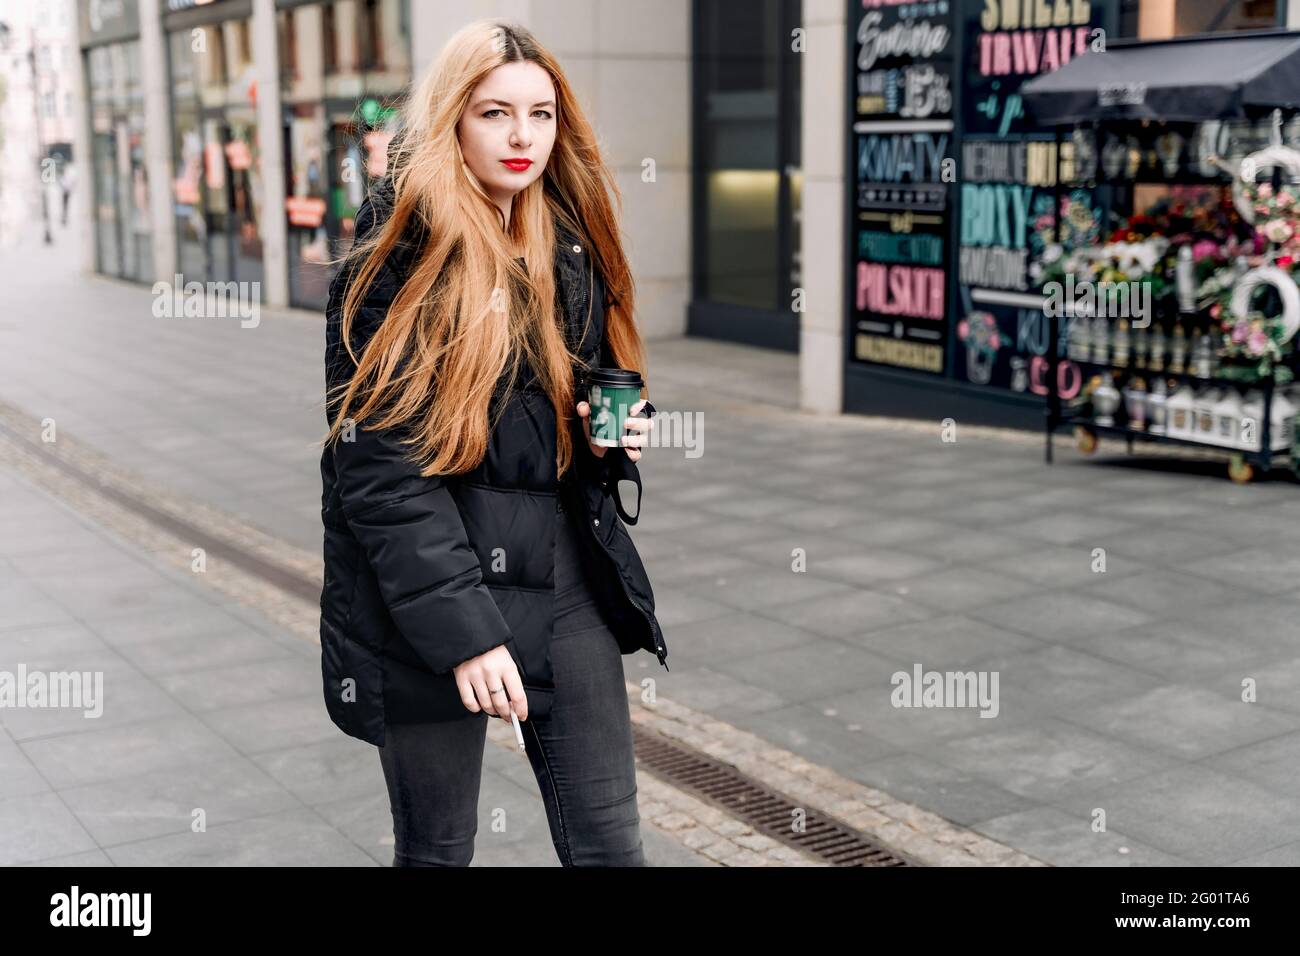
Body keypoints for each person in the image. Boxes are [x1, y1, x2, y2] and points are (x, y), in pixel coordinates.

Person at [318, 19, 669, 867]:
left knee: (611, 844)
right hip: (429, 585)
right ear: (451, 121)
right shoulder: (396, 258)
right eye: (495, 113)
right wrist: (468, 633)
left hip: (563, 570)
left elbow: (565, 400)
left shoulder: (566, 244)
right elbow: (383, 473)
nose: (523, 138)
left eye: (541, 114)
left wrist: (606, 437)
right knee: (439, 849)